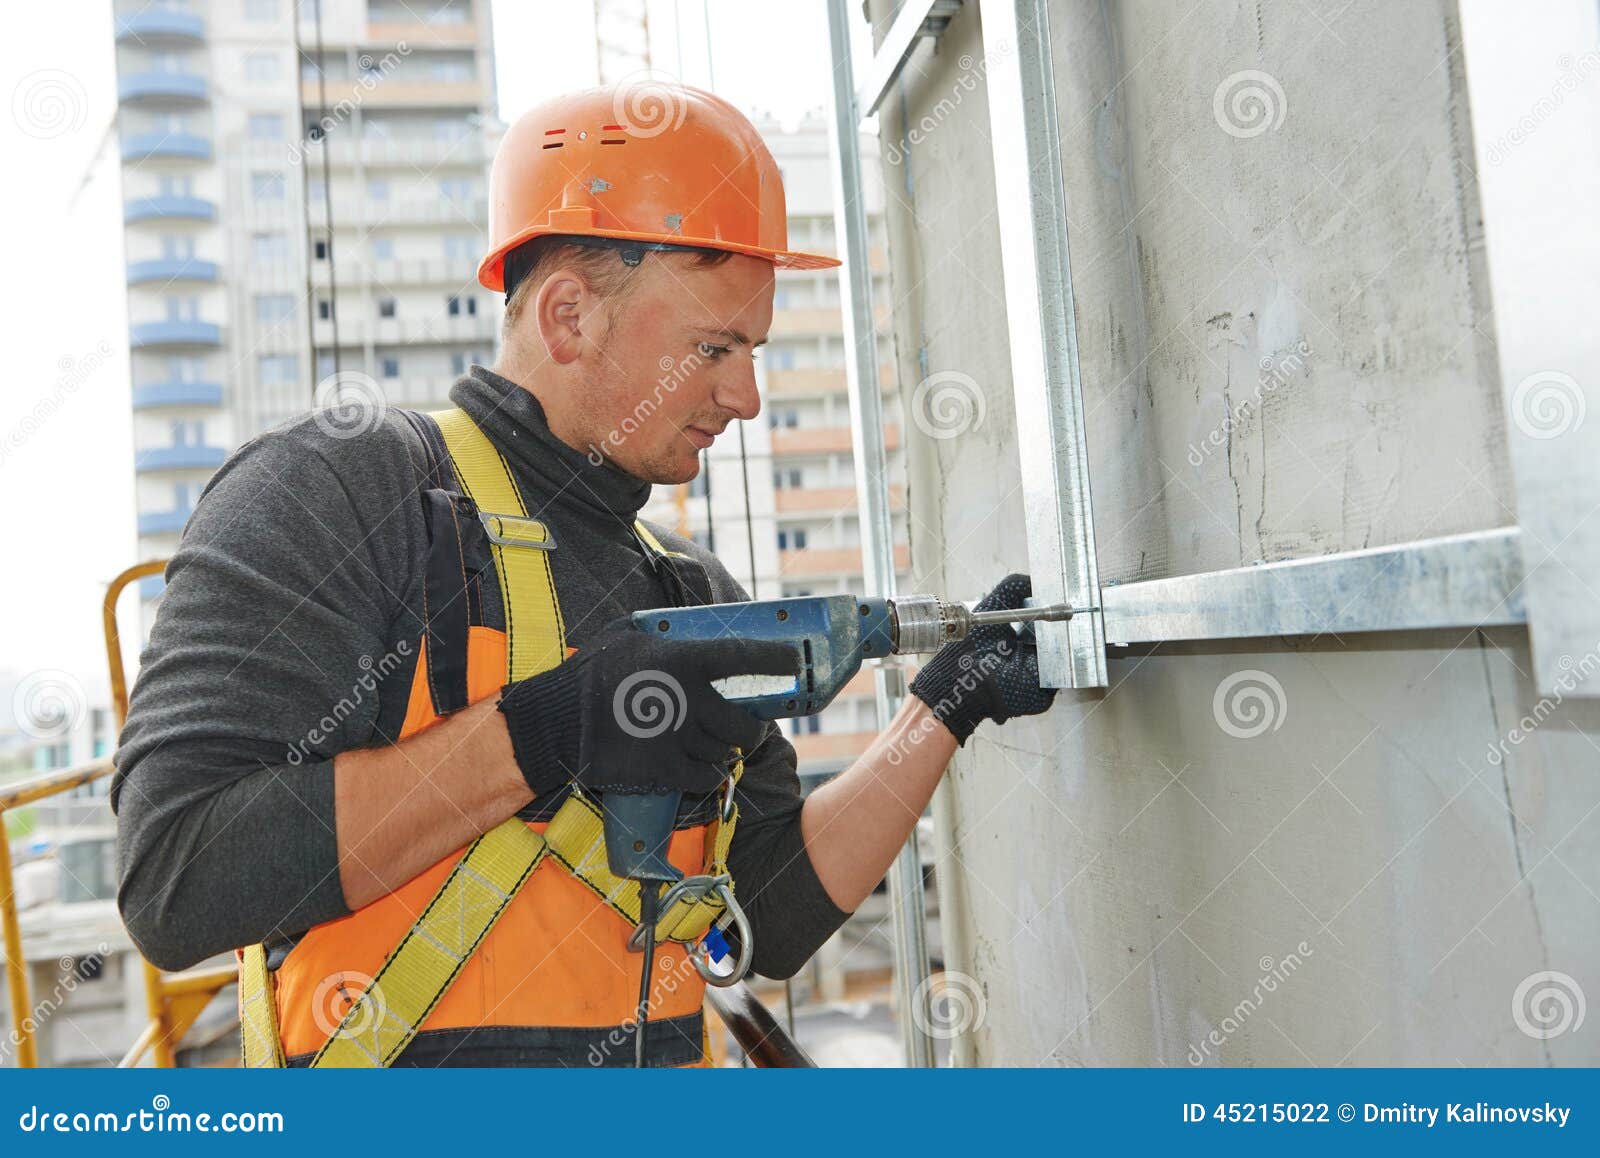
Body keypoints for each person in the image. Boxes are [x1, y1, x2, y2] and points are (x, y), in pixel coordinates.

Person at [112, 82, 1056, 1068]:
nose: (745, 395)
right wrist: (551, 730)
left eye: (754, 351)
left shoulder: (688, 587)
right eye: (714, 347)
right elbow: (175, 880)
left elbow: (767, 915)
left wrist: (938, 715)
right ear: (568, 315)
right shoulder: (348, 493)